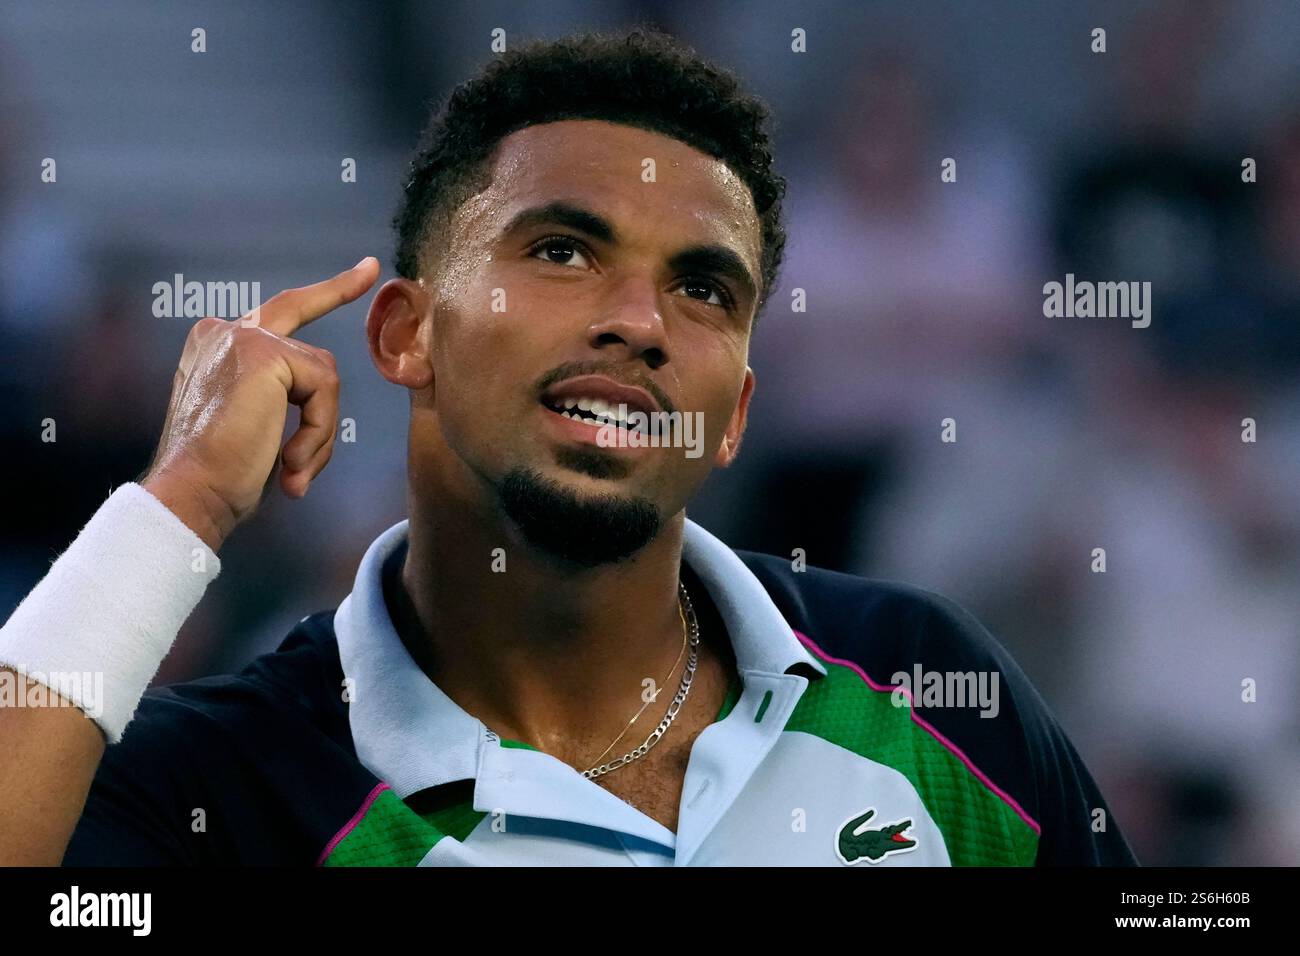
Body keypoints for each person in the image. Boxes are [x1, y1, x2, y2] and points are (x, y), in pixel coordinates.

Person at [0, 27, 1136, 866]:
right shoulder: (221, 791)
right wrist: (182, 499)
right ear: (404, 335)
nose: (639, 323)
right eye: (560, 251)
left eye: (701, 287)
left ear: (733, 412)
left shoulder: (927, 682)